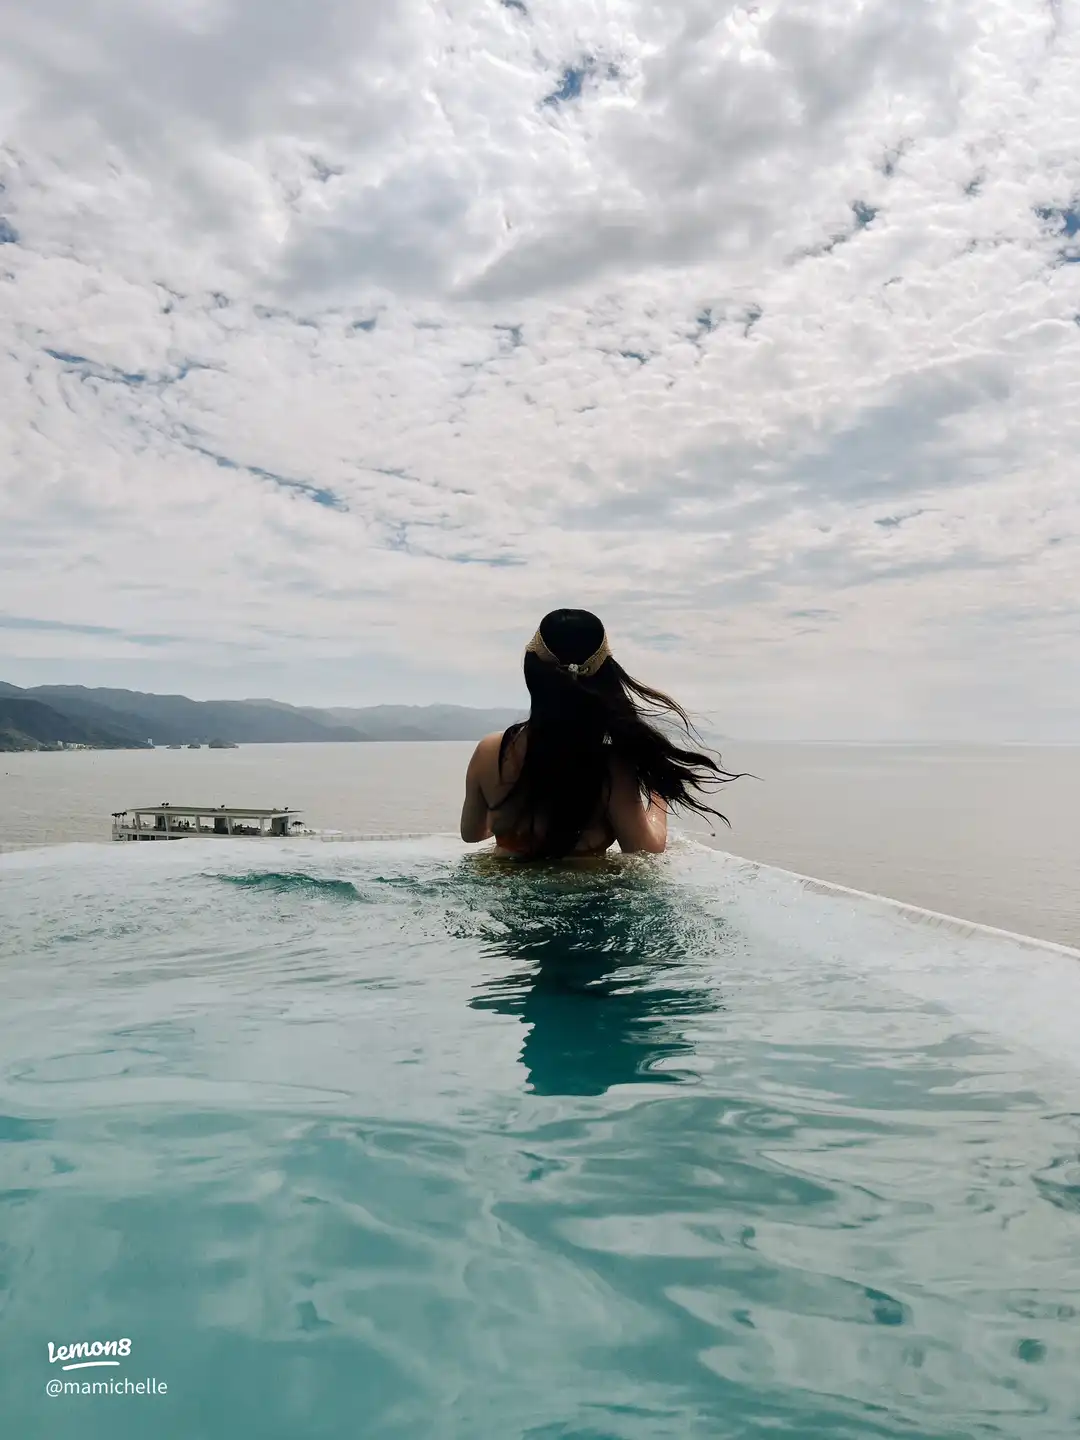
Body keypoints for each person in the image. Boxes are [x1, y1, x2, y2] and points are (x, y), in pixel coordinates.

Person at [459, 608, 738, 860]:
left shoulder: (490, 750)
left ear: (532, 672)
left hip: (508, 901)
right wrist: (657, 797)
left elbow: (471, 833)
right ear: (605, 675)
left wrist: (512, 830)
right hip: (583, 902)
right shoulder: (609, 759)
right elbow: (643, 848)